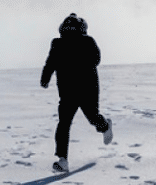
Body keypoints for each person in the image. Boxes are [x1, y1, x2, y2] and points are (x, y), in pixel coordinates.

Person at [40, 13, 113, 173]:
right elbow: (50, 62)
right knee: (63, 124)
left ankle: (105, 126)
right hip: (67, 92)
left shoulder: (87, 41)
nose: (69, 31)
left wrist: (78, 57)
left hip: (88, 89)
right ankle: (62, 160)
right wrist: (45, 78)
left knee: (92, 116)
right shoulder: (57, 44)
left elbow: (96, 59)